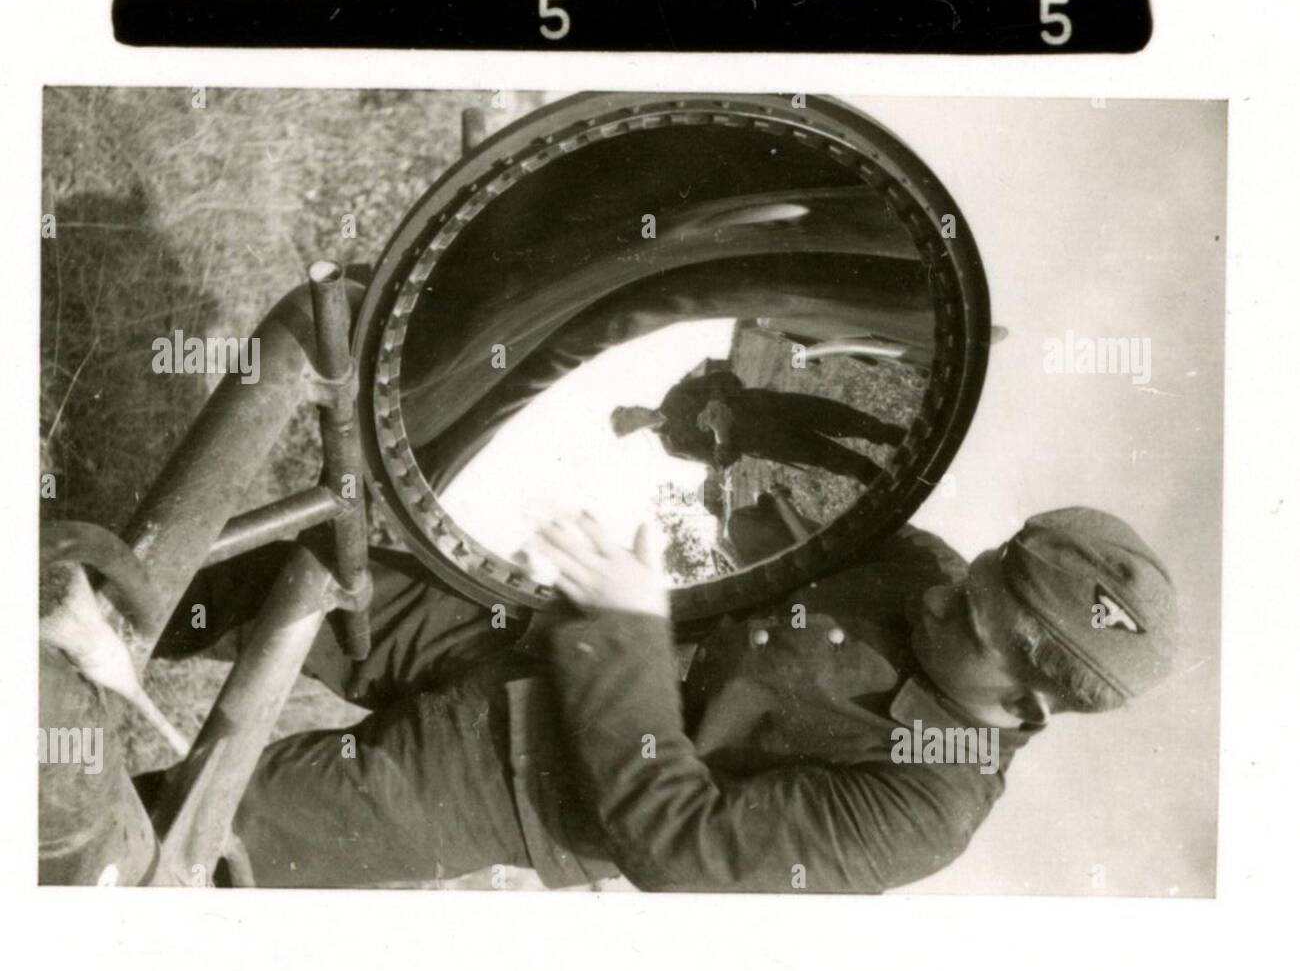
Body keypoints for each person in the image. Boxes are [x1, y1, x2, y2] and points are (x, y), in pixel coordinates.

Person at [148, 507, 1177, 893]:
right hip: (512, 634)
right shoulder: (920, 560)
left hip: (501, 787)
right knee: (263, 572)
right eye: (978, 566)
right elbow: (768, 538)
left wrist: (630, 632)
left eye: (969, 617)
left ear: (1029, 702)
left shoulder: (925, 812)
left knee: (188, 831)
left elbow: (682, 845)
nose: (940, 588)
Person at [610, 368, 906, 483]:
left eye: (630, 408)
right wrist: (721, 435)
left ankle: (907, 440)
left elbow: (724, 377)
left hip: (774, 405)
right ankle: (894, 485)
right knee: (842, 462)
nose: (636, 412)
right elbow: (719, 462)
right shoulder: (672, 446)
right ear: (634, 431)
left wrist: (715, 400)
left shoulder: (675, 396)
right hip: (769, 442)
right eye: (630, 419)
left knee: (853, 421)